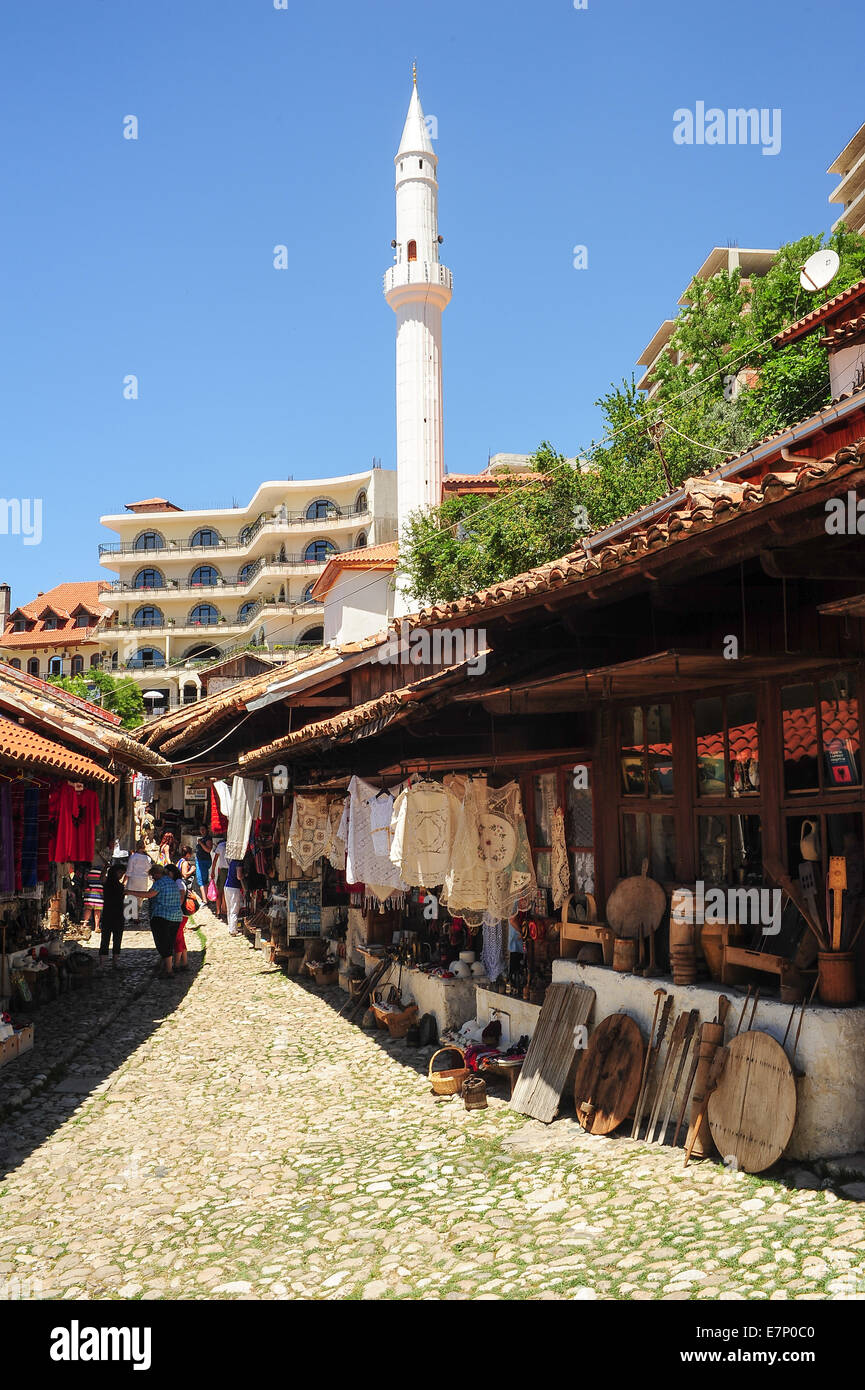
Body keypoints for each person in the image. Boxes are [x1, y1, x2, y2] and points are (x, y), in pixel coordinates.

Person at [143, 863, 183, 976]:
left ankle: (169, 970)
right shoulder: (172, 882)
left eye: (152, 876)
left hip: (162, 916)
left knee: (162, 943)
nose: (153, 879)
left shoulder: (159, 883)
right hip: (176, 917)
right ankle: (166, 967)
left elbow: (149, 895)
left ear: (156, 874)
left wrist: (130, 892)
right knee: (169, 943)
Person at [100, 860, 126, 967]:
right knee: (112, 938)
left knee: (110, 938)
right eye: (120, 873)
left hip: (111, 913)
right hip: (115, 914)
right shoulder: (114, 885)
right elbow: (102, 878)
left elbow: (102, 878)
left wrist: (105, 868)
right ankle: (112, 962)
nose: (121, 875)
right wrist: (105, 868)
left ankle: (106, 962)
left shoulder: (108, 884)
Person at [224, 857, 244, 936]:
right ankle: (233, 930)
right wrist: (244, 875)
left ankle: (231, 928)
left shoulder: (232, 862)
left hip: (227, 886)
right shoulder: (239, 863)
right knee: (234, 910)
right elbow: (239, 876)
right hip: (234, 888)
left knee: (229, 909)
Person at [82, 861, 104, 935]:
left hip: (91, 890)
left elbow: (85, 878)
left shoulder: (87, 868)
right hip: (98, 890)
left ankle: (85, 925)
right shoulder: (103, 868)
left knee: (89, 908)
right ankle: (96, 927)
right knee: (96, 910)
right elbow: (104, 880)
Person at [212, 836, 228, 917]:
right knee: (226, 892)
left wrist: (212, 871)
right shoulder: (232, 845)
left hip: (222, 870)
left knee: (220, 891)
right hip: (230, 870)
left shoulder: (221, 845)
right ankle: (224, 910)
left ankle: (218, 911)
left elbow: (215, 860)